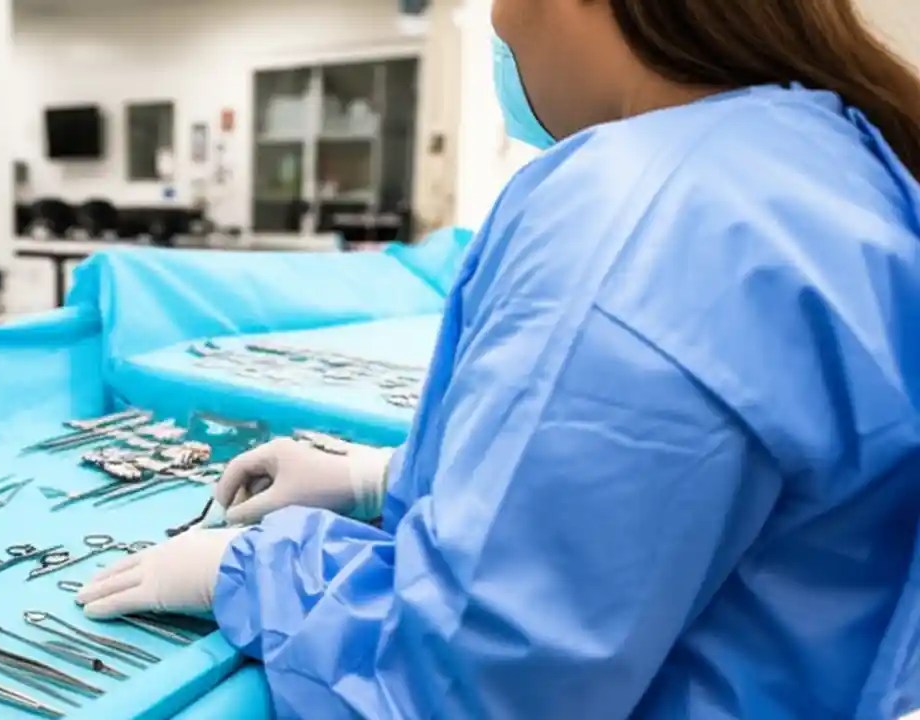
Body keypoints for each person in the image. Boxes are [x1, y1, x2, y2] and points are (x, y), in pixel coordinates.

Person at [79, 0, 920, 716]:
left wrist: (258, 573)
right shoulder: (836, 161)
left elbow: (477, 681)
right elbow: (693, 490)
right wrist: (381, 477)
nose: (496, 24)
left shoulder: (640, 219)